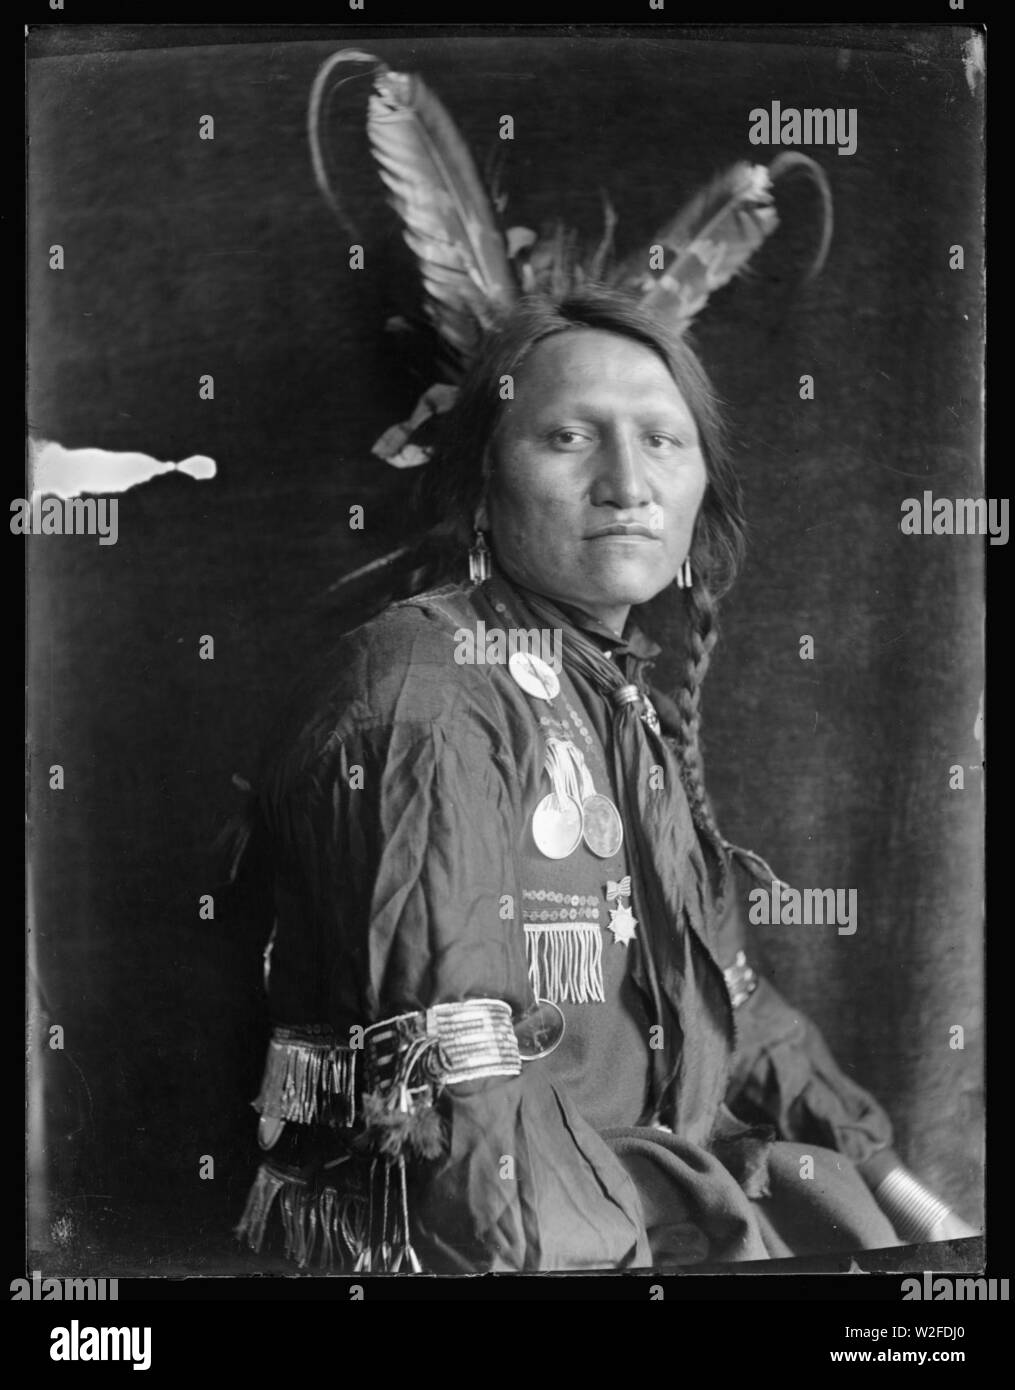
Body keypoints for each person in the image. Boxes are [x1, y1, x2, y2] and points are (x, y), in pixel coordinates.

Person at [235, 288, 973, 1273]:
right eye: (571, 436)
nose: (628, 482)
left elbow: (727, 1003)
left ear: (702, 486)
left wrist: (893, 1179)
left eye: (663, 441)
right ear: (481, 485)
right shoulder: (428, 687)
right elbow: (463, 1099)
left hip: (630, 1213)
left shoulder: (624, 710)